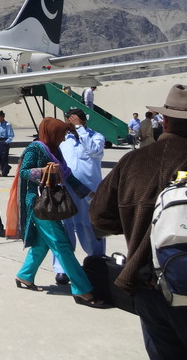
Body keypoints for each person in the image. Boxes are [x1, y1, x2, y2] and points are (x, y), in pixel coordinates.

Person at [90, 84, 187, 359]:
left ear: (164, 120)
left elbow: (99, 217)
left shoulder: (133, 161)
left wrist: (138, 224)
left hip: (147, 283)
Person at [13, 117, 104, 307]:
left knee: (42, 244)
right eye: (61, 134)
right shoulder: (35, 148)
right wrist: (44, 171)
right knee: (62, 245)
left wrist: (88, 193)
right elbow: (24, 171)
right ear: (52, 133)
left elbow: (68, 174)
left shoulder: (55, 149)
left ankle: (24, 276)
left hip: (49, 202)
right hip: (40, 203)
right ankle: (83, 290)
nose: (63, 138)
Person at [52, 108, 105, 285]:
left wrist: (80, 130)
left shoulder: (95, 137)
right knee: (64, 227)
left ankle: (96, 261)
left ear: (83, 120)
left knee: (90, 225)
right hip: (66, 189)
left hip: (89, 191)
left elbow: (94, 152)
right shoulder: (62, 140)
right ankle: (62, 268)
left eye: (76, 120)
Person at [0, 110, 14, 176]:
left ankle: (4, 172)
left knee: (4, 158)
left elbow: (11, 135)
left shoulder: (7, 125)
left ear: (3, 117)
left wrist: (7, 142)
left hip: (4, 141)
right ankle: (4, 168)